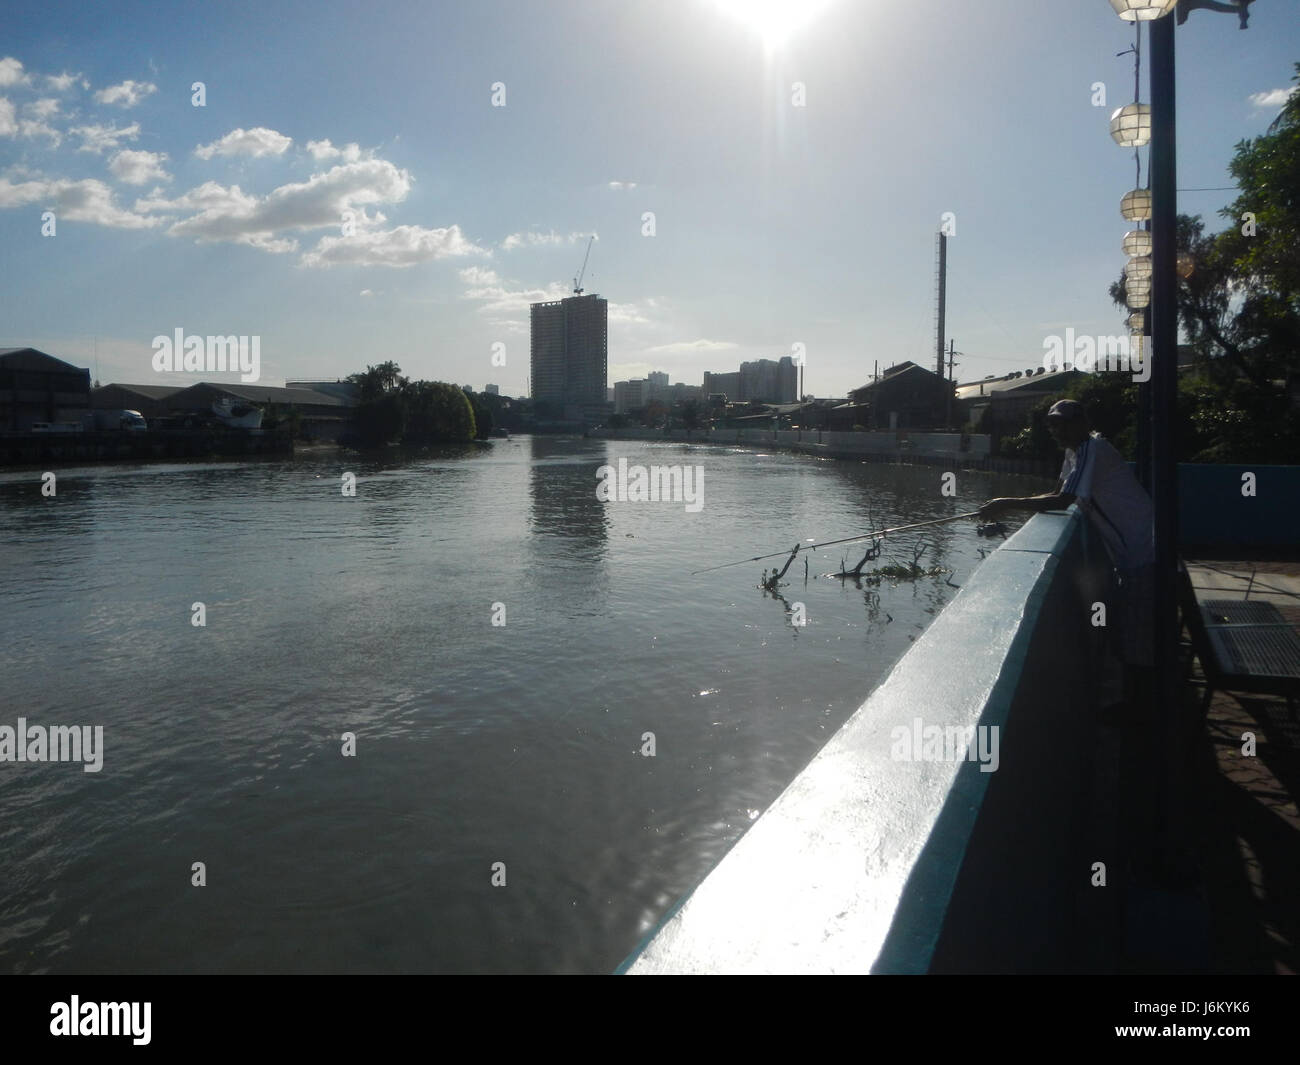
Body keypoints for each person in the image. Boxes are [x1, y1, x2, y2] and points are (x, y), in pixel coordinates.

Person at [978, 399, 1154, 716]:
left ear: (1082, 423)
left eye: (1063, 423)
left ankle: (1138, 710)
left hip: (1142, 550)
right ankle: (1133, 700)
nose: (1057, 430)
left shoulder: (1091, 448)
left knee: (1135, 634)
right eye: (1052, 424)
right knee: (1127, 628)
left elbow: (1065, 499)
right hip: (1130, 553)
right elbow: (1057, 491)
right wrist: (1012, 503)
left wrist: (1005, 502)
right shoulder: (1074, 453)